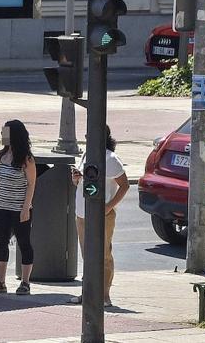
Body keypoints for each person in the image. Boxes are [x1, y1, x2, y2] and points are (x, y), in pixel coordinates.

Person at [69, 126, 129, 307]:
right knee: (87, 256)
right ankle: (88, 293)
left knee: (103, 255)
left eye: (89, 134)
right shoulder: (86, 155)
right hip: (82, 213)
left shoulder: (111, 158)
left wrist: (109, 207)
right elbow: (81, 183)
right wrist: (76, 178)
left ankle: (104, 296)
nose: (86, 137)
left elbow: (125, 185)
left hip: (103, 215)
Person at [0, 120, 37, 295]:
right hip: (1, 207)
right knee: (1, 242)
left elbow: (31, 184)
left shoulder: (27, 159)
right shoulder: (1, 155)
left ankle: (25, 282)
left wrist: (26, 207)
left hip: (19, 207)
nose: (2, 136)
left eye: (5, 132)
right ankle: (1, 282)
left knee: (24, 243)